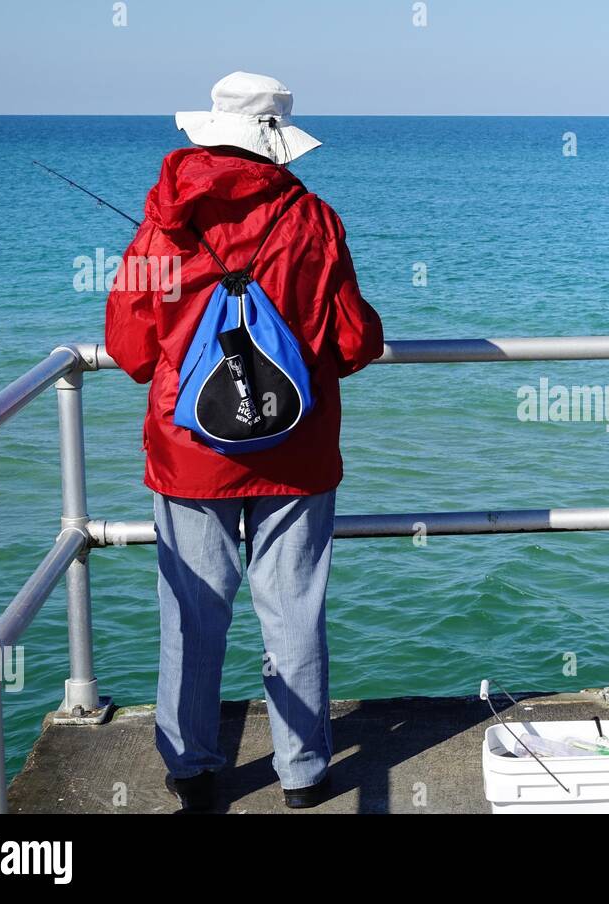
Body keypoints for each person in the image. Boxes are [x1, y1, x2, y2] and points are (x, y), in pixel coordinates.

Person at [106, 71, 383, 807]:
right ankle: (301, 773)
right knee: (293, 609)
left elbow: (130, 347)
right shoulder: (313, 220)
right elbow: (354, 341)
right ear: (277, 140)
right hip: (296, 451)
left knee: (194, 610)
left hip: (188, 452)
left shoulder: (165, 225)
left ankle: (193, 765)